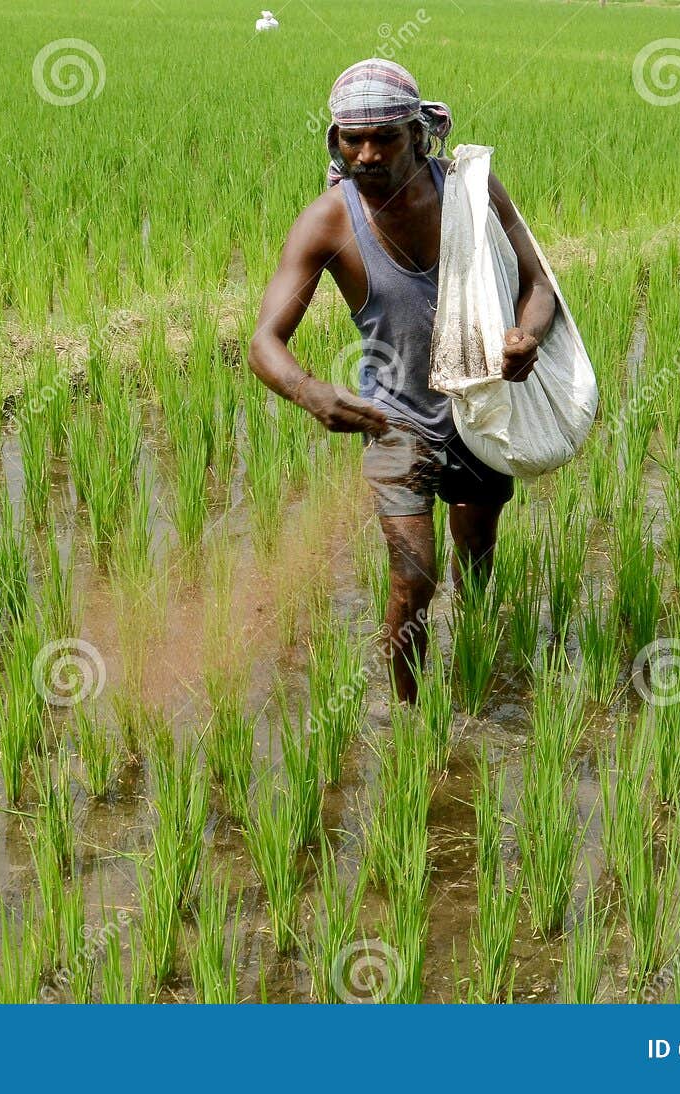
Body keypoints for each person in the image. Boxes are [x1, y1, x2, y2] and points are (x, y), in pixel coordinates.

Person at [247, 58, 556, 703]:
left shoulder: (473, 193)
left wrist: (527, 335)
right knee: (414, 577)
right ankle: (411, 712)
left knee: (477, 556)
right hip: (396, 421)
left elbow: (538, 284)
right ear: (334, 142)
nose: (366, 153)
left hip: (480, 410)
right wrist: (310, 392)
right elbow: (265, 343)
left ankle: (478, 666)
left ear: (418, 134)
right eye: (350, 139)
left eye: (383, 137)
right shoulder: (327, 223)